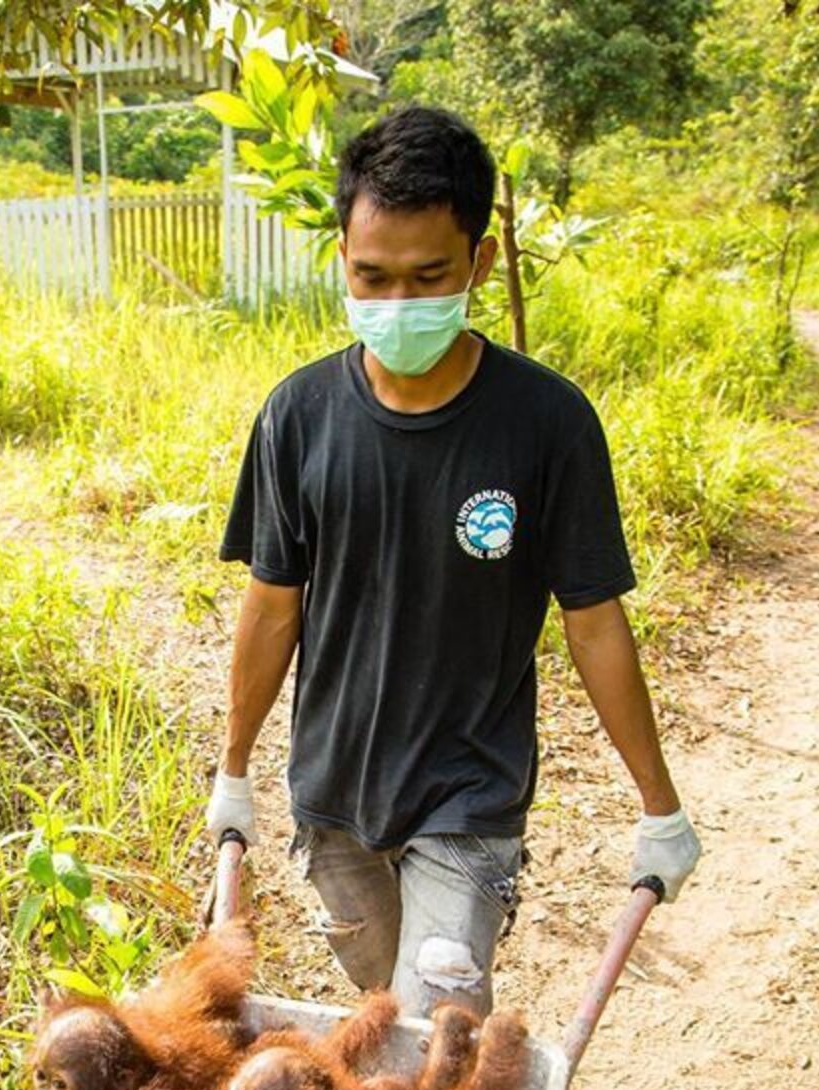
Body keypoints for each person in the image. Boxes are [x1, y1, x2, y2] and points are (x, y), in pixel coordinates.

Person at [207, 105, 701, 1016]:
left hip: (470, 794)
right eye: (371, 276)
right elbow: (273, 605)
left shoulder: (546, 423)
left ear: (478, 261)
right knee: (381, 1008)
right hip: (333, 792)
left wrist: (658, 803)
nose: (396, 305)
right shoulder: (299, 416)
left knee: (435, 1025)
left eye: (428, 276)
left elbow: (592, 620)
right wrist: (234, 771)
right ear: (342, 259)